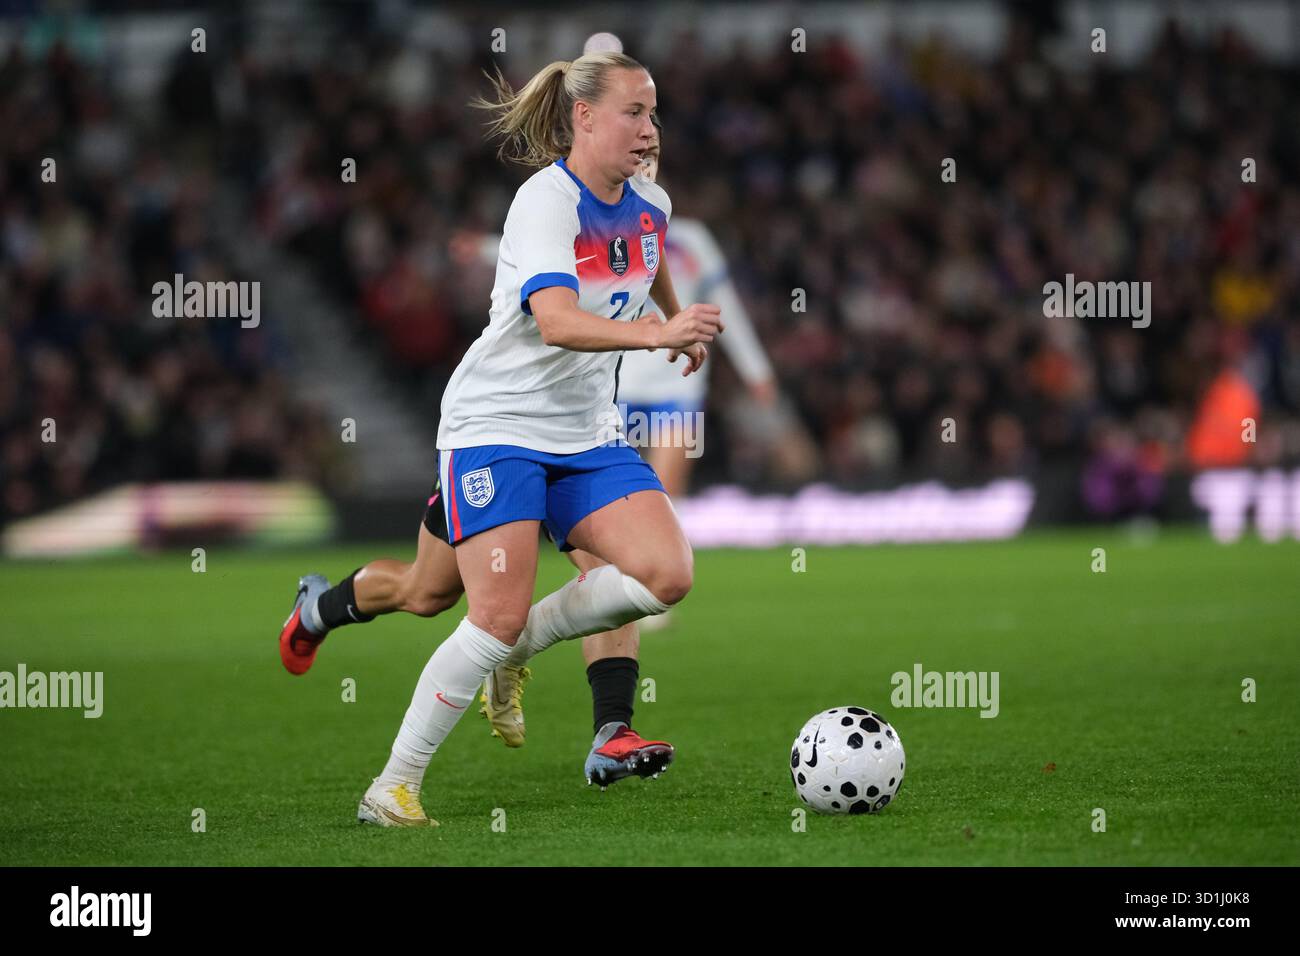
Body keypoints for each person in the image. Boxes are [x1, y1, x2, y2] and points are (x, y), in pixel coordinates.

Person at [281, 50, 723, 826]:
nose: (651, 129)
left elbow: (645, 261)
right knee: (442, 600)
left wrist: (678, 321)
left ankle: (530, 665)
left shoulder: (652, 202)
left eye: (654, 114)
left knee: (665, 573)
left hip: (586, 433)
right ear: (583, 116)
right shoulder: (545, 203)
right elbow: (553, 321)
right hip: (498, 427)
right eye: (635, 112)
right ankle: (390, 784)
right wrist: (658, 335)